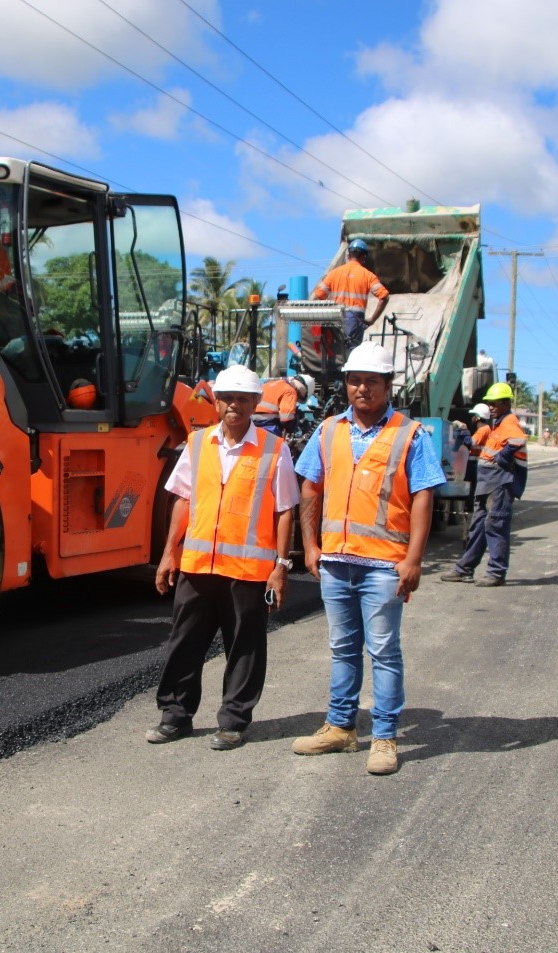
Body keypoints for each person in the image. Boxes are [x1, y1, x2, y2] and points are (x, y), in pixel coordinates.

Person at [291, 341, 445, 775]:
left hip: (383, 564)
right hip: (336, 562)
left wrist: (413, 559)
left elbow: (423, 497)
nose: (362, 389)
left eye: (371, 381)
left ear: (387, 385)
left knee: (382, 650)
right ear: (346, 384)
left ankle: (384, 737)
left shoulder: (410, 434)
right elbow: (310, 487)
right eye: (355, 380)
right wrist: (311, 546)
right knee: (342, 648)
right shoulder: (328, 430)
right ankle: (341, 728)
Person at [148, 364, 299, 751]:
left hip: (248, 571)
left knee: (244, 647)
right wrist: (169, 554)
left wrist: (280, 569)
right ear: (216, 402)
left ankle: (233, 721)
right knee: (184, 642)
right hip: (197, 567)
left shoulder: (274, 449)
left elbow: (285, 511)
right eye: (228, 398)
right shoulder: (197, 445)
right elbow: (182, 500)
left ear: (254, 404)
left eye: (243, 399)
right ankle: (175, 716)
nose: (235, 405)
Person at [441, 382, 528, 587]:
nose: (491, 406)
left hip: (499, 483)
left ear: (506, 403)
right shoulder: (496, 425)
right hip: (487, 483)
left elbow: (518, 440)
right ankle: (464, 569)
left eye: (495, 403)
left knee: (495, 525)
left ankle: (496, 573)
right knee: (478, 526)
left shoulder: (509, 422)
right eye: (489, 403)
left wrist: (503, 458)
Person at [313, 238, 390, 348]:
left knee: (336, 353)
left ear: (348, 254)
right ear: (364, 257)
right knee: (351, 353)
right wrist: (372, 320)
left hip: (335, 318)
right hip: (355, 321)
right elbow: (384, 297)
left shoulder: (334, 273)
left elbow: (318, 296)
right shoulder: (368, 276)